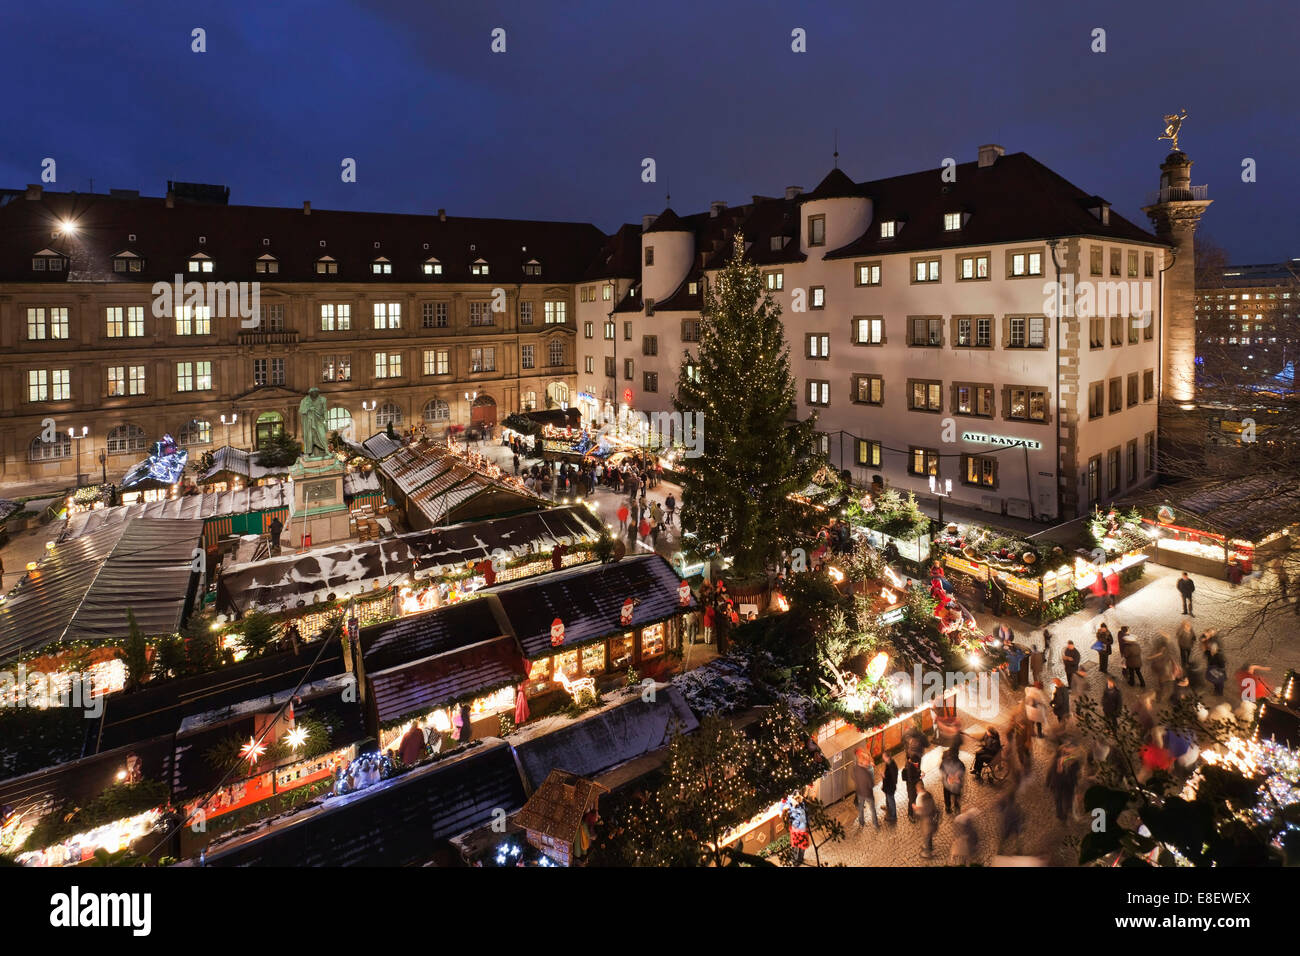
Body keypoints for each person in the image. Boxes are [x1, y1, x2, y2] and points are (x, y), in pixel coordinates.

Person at [853, 748, 879, 829]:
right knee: (872, 808)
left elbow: (854, 777)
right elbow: (871, 783)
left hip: (860, 792)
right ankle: (875, 823)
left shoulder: (856, 768)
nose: (867, 762)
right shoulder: (867, 771)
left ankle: (861, 822)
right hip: (867, 793)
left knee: (861, 808)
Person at [940, 745, 965, 814]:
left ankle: (954, 806)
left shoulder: (957, 761)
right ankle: (949, 807)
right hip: (948, 781)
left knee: (955, 794)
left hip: (955, 782)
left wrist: (957, 775)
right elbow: (942, 769)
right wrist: (948, 776)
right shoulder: (946, 759)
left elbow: (962, 768)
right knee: (949, 794)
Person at [916, 789, 938, 859]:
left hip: (927, 822)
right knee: (929, 836)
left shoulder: (923, 799)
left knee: (927, 836)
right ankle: (929, 847)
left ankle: (927, 853)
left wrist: (916, 809)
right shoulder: (928, 796)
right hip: (931, 821)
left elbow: (924, 812)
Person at [902, 757, 923, 823]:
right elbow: (911, 780)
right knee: (912, 799)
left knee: (917, 797)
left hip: (916, 784)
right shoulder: (909, 768)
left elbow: (916, 770)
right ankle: (910, 814)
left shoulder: (911, 763)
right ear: (910, 759)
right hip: (911, 786)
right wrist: (920, 777)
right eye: (915, 762)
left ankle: (917, 810)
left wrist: (920, 771)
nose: (916, 763)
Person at [881, 754, 899, 823]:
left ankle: (893, 816)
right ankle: (888, 808)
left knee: (891, 800)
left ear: (887, 757)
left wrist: (884, 775)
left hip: (890, 787)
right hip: (887, 786)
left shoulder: (891, 766)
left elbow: (892, 778)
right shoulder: (889, 762)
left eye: (884, 757)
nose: (883, 759)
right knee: (888, 798)